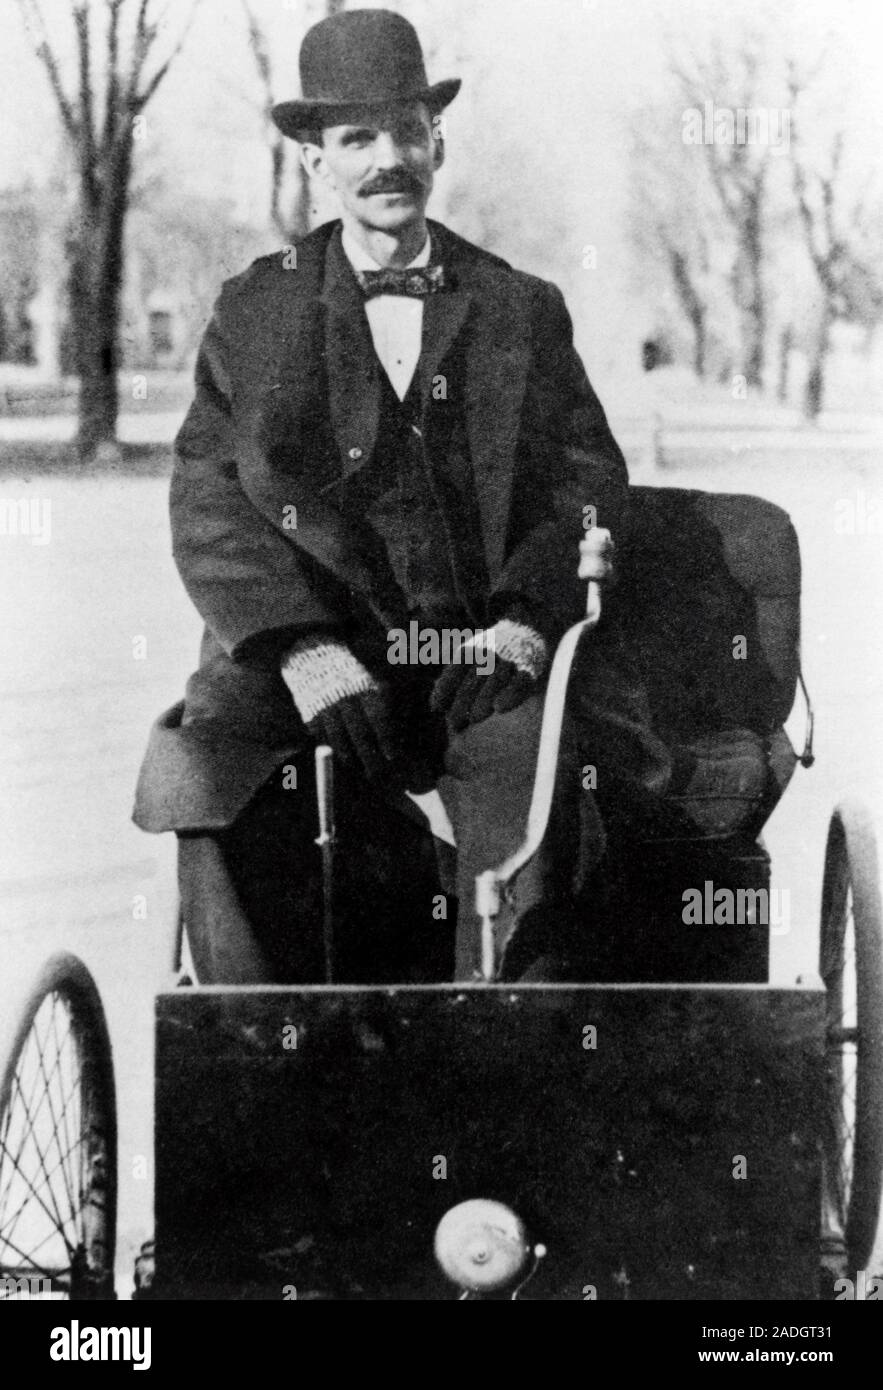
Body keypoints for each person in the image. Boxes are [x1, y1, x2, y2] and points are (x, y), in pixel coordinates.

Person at [133, 8, 672, 984]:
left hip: (481, 661)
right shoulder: (256, 313)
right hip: (318, 657)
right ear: (314, 160)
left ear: (438, 141)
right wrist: (300, 647)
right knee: (211, 774)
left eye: (407, 131)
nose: (389, 159)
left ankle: (498, 1055)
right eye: (356, 139)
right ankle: (264, 1053)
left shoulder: (519, 309)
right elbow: (208, 498)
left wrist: (525, 622)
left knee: (542, 820)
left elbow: (585, 480)